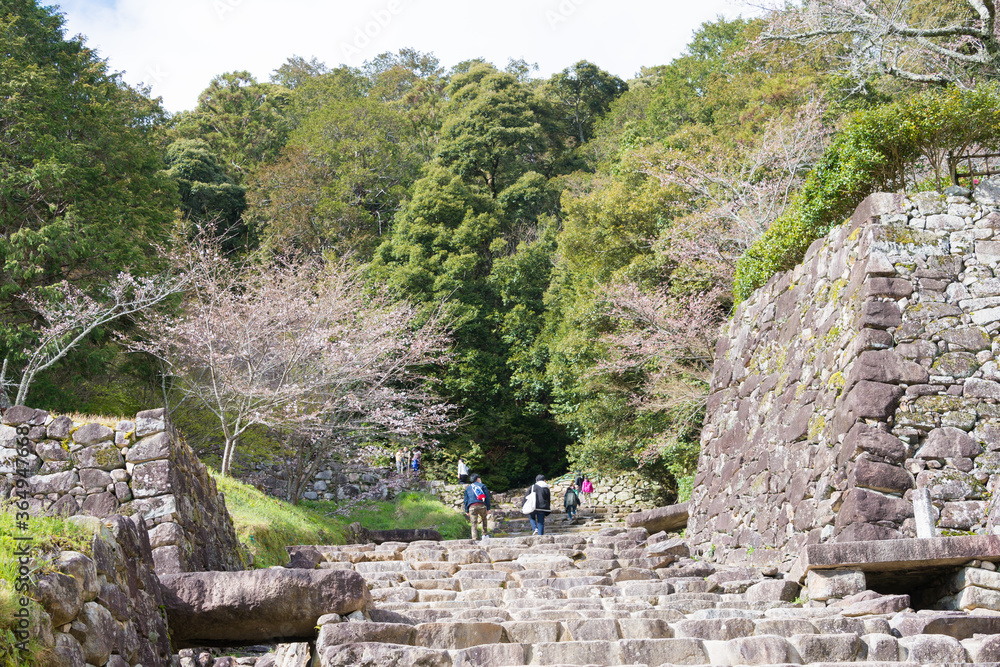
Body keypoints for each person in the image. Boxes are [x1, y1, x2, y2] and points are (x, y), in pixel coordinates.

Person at [463, 474, 491, 540]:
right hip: (482, 505)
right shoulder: (483, 486)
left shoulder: (468, 488)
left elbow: (466, 500)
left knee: (473, 522)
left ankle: (474, 537)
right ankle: (484, 535)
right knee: (484, 519)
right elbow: (487, 497)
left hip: (472, 506)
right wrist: (488, 508)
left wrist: (466, 510)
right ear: (478, 479)